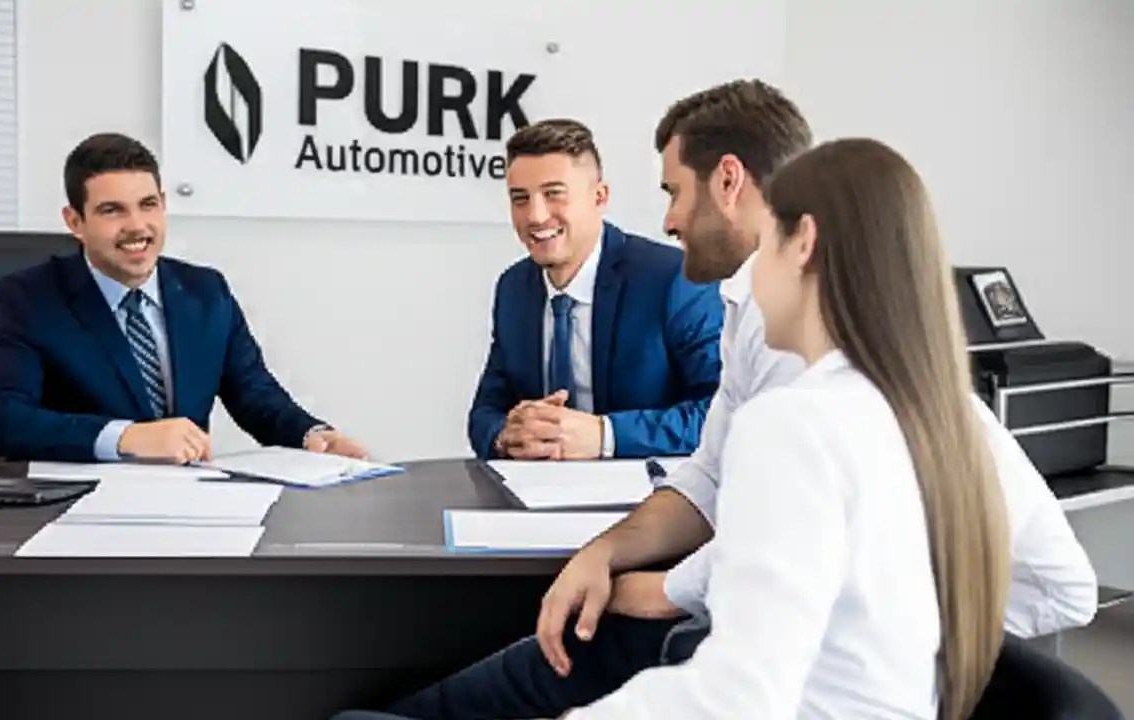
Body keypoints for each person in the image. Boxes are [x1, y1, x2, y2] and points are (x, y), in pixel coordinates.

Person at [336, 81, 1095, 720]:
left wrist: (673, 588)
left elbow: (741, 690)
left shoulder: (798, 415)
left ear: (794, 237)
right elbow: (1064, 588)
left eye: (671, 190)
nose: (666, 218)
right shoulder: (922, 399)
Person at [0, 132, 366, 463]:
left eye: (148, 205)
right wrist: (125, 437)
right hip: (83, 514)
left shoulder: (205, 292)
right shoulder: (31, 298)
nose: (137, 226)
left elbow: (255, 394)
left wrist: (312, 435)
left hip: (194, 507)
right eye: (112, 211)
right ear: (75, 221)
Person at [468, 118, 724, 460]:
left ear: (599, 197)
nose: (536, 215)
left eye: (553, 194)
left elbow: (721, 412)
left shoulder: (672, 278)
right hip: (536, 499)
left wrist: (605, 435)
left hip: (652, 499)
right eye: (520, 199)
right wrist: (507, 435)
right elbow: (486, 412)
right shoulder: (514, 287)